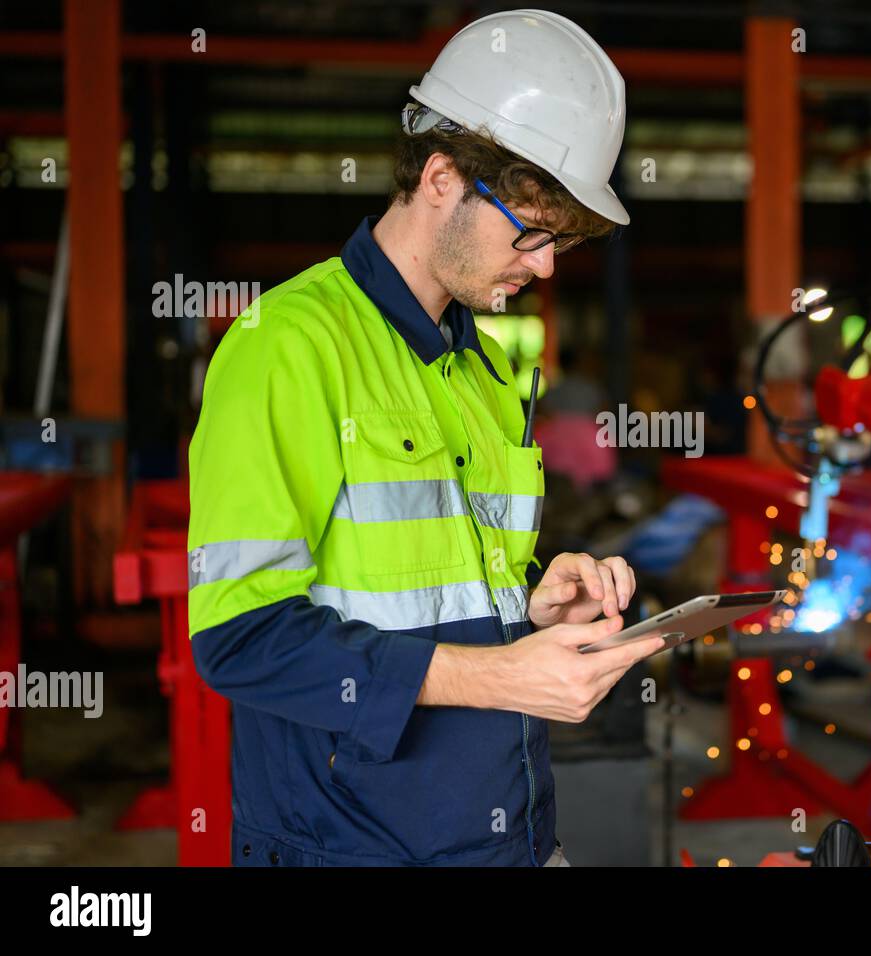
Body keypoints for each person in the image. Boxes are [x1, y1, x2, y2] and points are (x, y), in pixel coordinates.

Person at [186, 9, 662, 867]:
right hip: (353, 846)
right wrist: (500, 677)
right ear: (441, 177)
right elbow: (239, 638)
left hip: (509, 833)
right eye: (533, 230)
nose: (547, 266)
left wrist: (533, 599)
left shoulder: (481, 371)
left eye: (560, 239)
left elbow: (438, 587)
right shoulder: (288, 345)